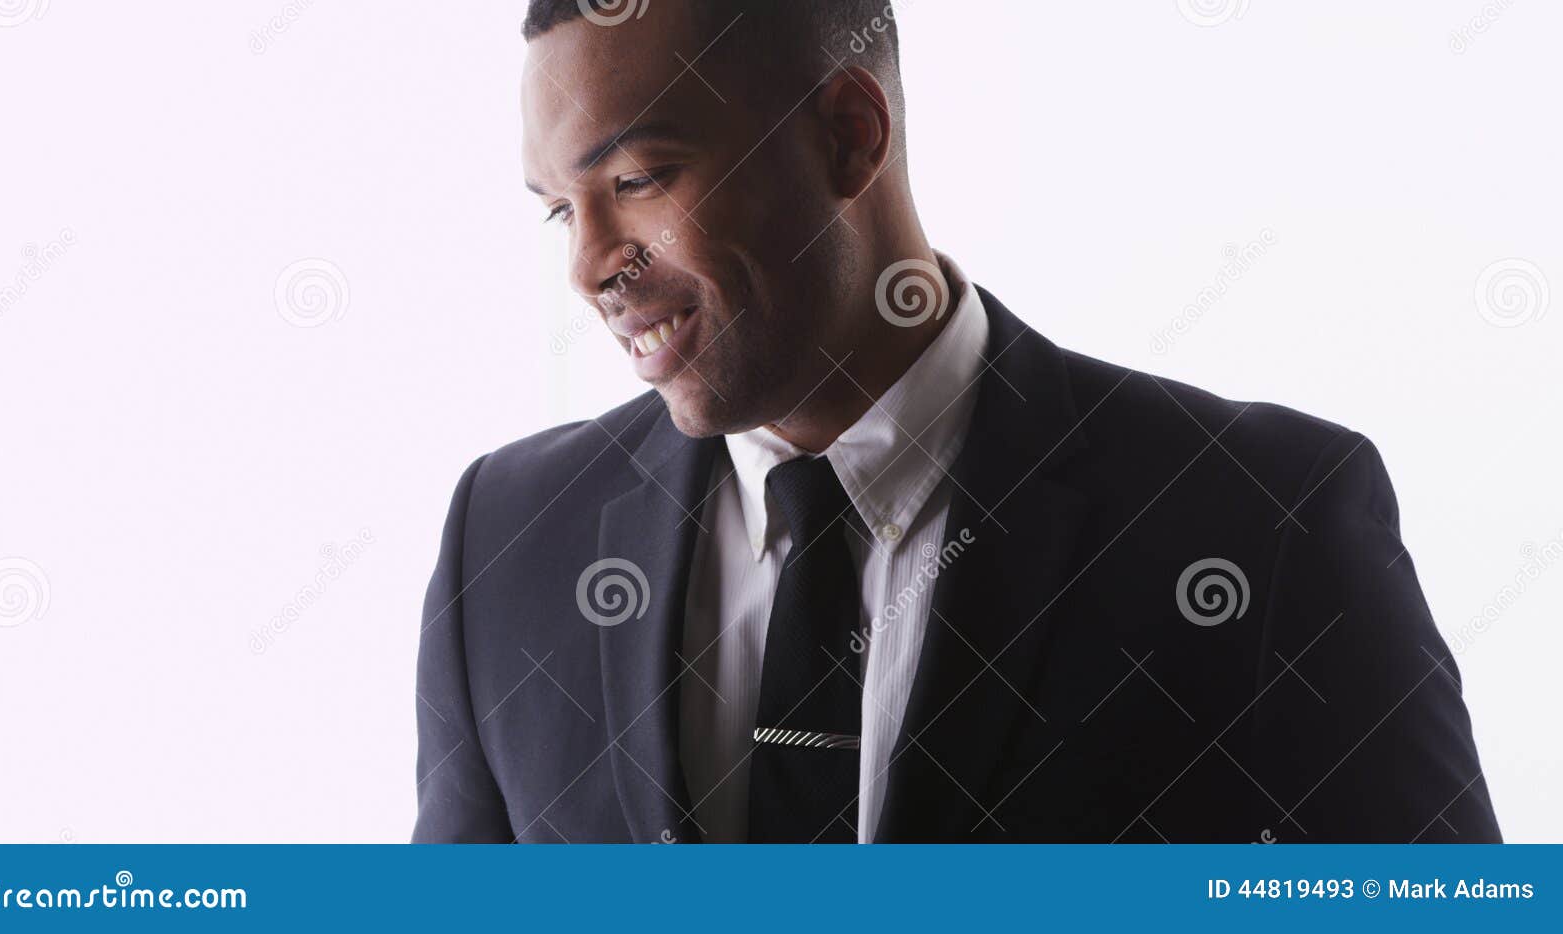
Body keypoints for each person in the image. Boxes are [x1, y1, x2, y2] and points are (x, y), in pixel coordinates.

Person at [412, 0, 1499, 843]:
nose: (589, 264)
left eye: (639, 178)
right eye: (560, 208)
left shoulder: (1260, 518)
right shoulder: (507, 537)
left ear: (848, 134)